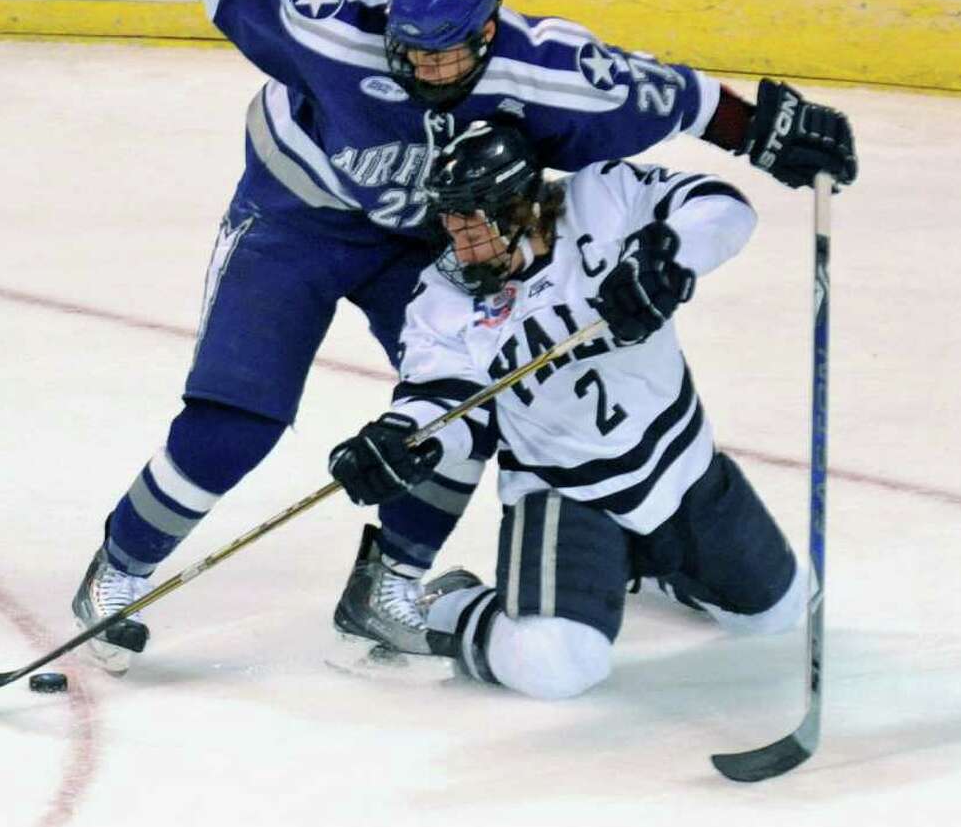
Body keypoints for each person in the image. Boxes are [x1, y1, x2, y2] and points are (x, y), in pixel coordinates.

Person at [37, 0, 853, 673]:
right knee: (239, 417)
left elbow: (668, 94)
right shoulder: (332, 22)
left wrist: (764, 131)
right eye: (410, 53)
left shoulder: (548, 69)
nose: (424, 70)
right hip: (294, 217)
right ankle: (119, 569)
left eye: (446, 57)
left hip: (433, 240)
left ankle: (390, 581)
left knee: (471, 406)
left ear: (489, 33)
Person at [327, 121, 807, 697]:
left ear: (519, 208)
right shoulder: (442, 298)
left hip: (683, 472)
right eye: (450, 225)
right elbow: (443, 401)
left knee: (778, 611)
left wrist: (666, 259)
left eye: (470, 225)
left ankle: (649, 566)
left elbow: (722, 205)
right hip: (564, 495)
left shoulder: (603, 197)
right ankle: (452, 607)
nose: (458, 245)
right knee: (553, 666)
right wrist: (402, 440)